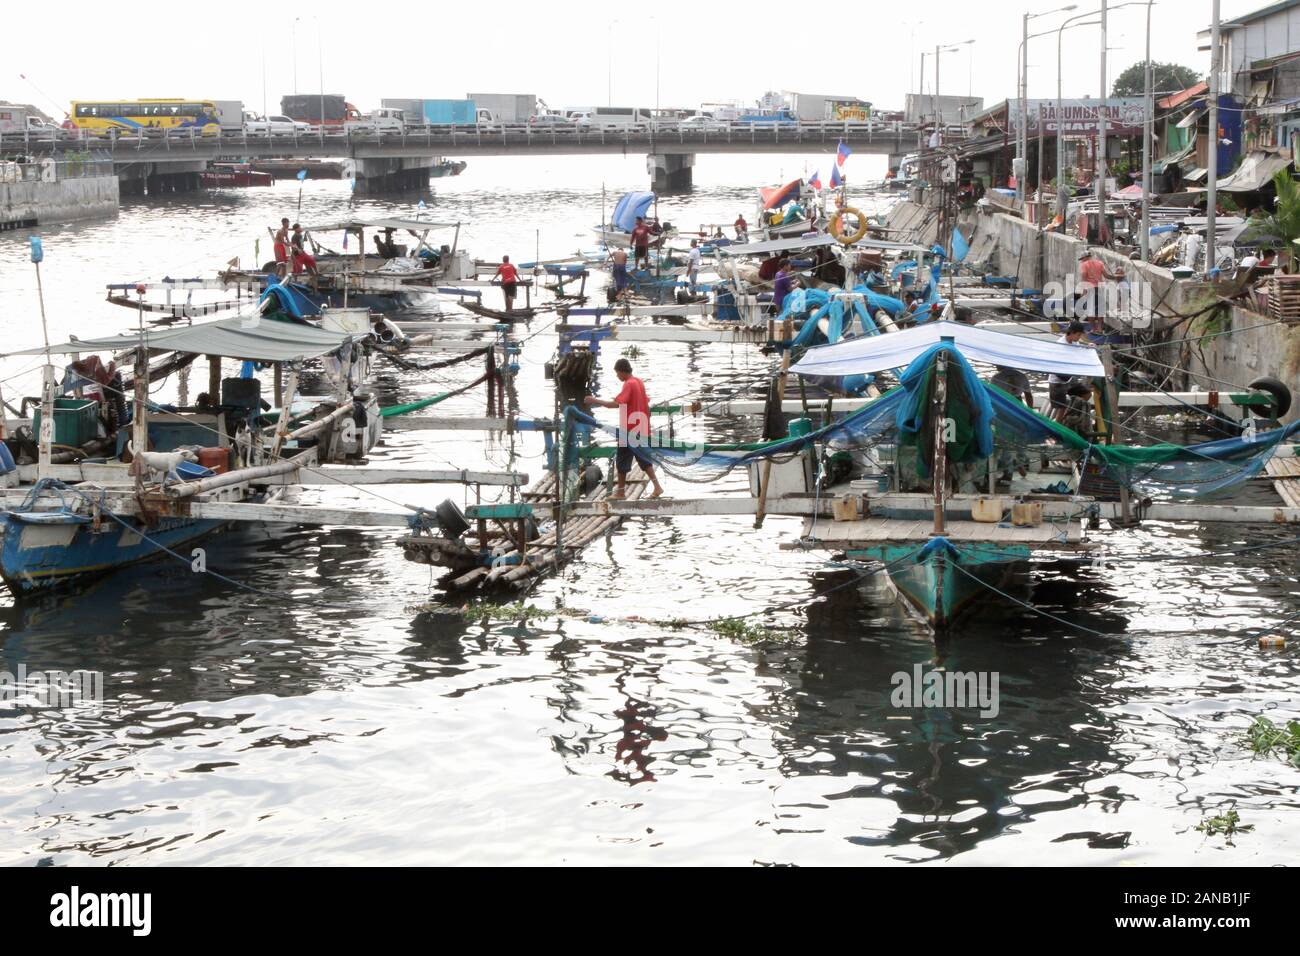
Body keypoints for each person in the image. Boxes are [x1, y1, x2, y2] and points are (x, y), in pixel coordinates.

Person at [583, 358, 664, 499]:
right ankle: (657, 487)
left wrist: (594, 400)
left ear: (621, 371)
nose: (617, 376)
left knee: (622, 460)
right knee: (643, 459)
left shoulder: (628, 384)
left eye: (617, 373)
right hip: (641, 427)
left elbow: (615, 404)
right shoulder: (638, 382)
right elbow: (645, 401)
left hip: (629, 430)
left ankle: (620, 492)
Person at [1048, 321, 1090, 419]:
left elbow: (1080, 352)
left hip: (1070, 379)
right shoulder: (1060, 345)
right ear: (1071, 333)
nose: (1079, 337)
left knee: (1087, 394)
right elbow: (1054, 366)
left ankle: (1069, 415)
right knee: (1061, 408)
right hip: (1058, 382)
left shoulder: (1075, 342)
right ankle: (1058, 427)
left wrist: (1089, 347)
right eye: (1078, 335)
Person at [1075, 250, 1122, 331]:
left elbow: (1084, 277)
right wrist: (1116, 277)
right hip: (1100, 288)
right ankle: (1100, 328)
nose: (1082, 261)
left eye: (1082, 259)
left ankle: (1093, 329)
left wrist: (1084, 291)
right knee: (1100, 309)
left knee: (1090, 310)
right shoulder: (1099, 263)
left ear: (1085, 257)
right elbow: (1106, 275)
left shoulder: (1084, 265)